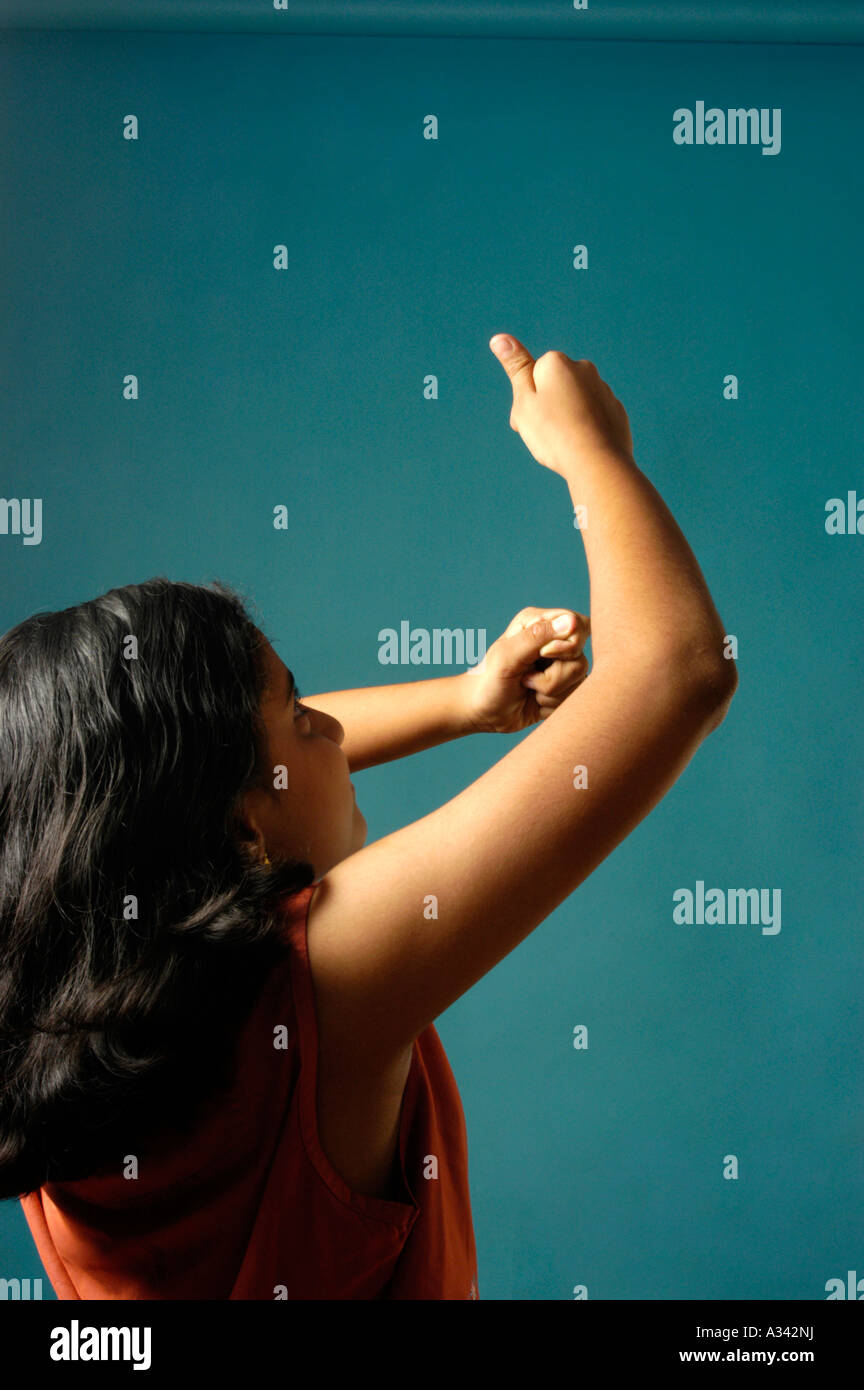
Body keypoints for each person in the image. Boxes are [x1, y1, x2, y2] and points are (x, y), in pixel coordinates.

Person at [0, 336, 737, 1299]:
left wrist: (468, 700)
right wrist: (592, 456)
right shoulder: (316, 989)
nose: (336, 734)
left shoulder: (56, 1022)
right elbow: (678, 670)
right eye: (306, 715)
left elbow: (215, 780)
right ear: (237, 832)